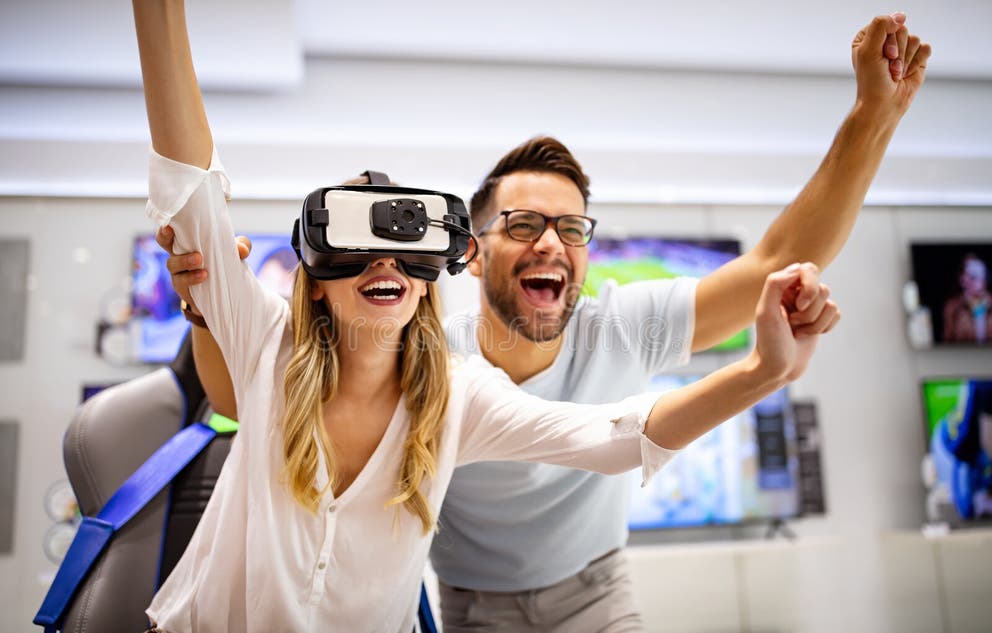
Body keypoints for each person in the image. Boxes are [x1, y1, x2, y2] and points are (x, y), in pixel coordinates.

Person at [161, 12, 928, 633]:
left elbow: (635, 416)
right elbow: (240, 366)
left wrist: (872, 118)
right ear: (468, 255)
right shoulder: (406, 363)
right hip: (470, 603)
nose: (552, 243)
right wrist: (207, 306)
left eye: (572, 228)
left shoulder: (578, 344)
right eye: (524, 222)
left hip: (595, 591)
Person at [942, 253, 992, 344]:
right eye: (972, 275)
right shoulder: (952, 307)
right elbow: (948, 341)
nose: (977, 278)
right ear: (962, 279)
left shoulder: (989, 301)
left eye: (980, 274)